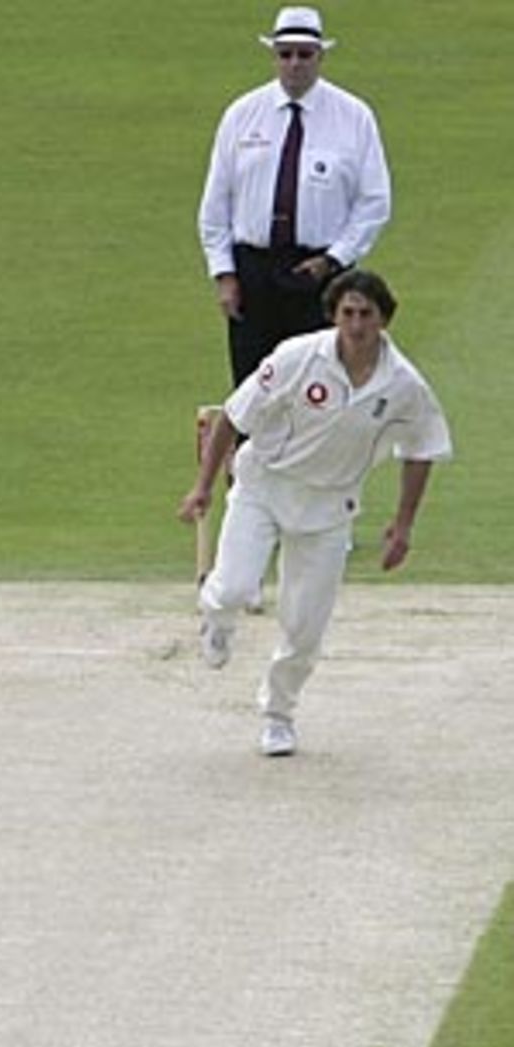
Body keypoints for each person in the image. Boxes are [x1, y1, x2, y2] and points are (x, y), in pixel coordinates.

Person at [177, 270, 452, 758]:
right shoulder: (297, 357)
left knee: (304, 629)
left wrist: (403, 524)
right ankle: (217, 617)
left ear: (384, 319)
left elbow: (422, 449)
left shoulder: (404, 384)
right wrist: (202, 487)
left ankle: (278, 715)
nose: (357, 324)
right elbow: (233, 416)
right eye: (348, 313)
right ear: (334, 315)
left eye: (367, 314)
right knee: (236, 588)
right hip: (263, 485)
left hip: (329, 508)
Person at [198, 7, 392, 387]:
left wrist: (334, 259)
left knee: (319, 386)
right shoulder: (242, 115)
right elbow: (216, 202)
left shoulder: (353, 117)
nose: (295, 64)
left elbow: (374, 202)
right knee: (253, 388)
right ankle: (251, 450)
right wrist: (224, 274)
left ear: (321, 56)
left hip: (321, 274)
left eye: (305, 54)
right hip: (254, 270)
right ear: (274, 57)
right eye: (286, 54)